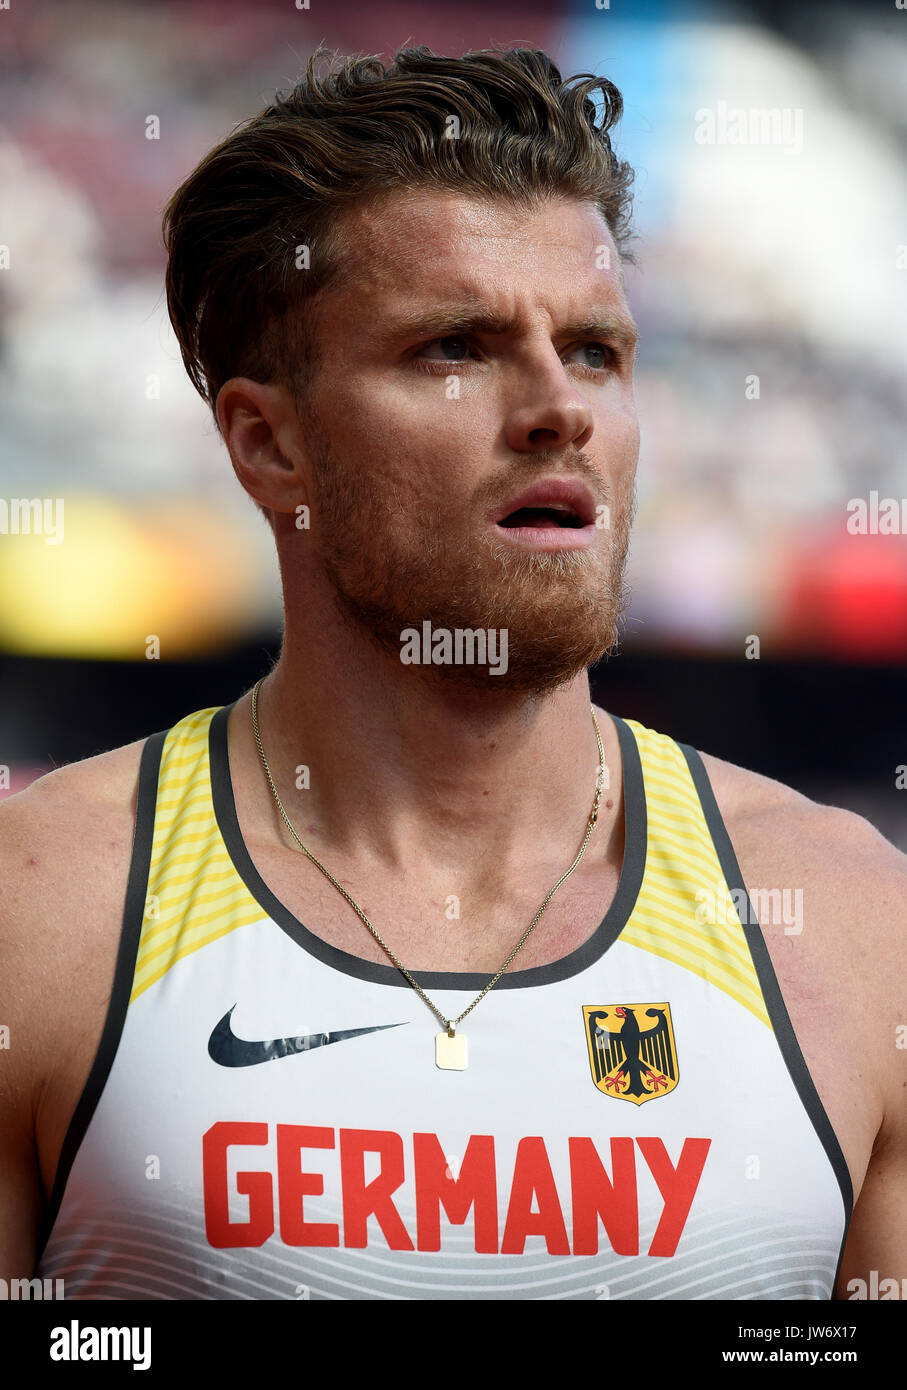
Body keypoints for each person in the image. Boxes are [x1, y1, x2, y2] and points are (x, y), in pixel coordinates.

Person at [1, 44, 903, 1302]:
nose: (559, 408)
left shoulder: (855, 922)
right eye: (454, 348)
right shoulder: (39, 911)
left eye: (595, 351)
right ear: (269, 444)